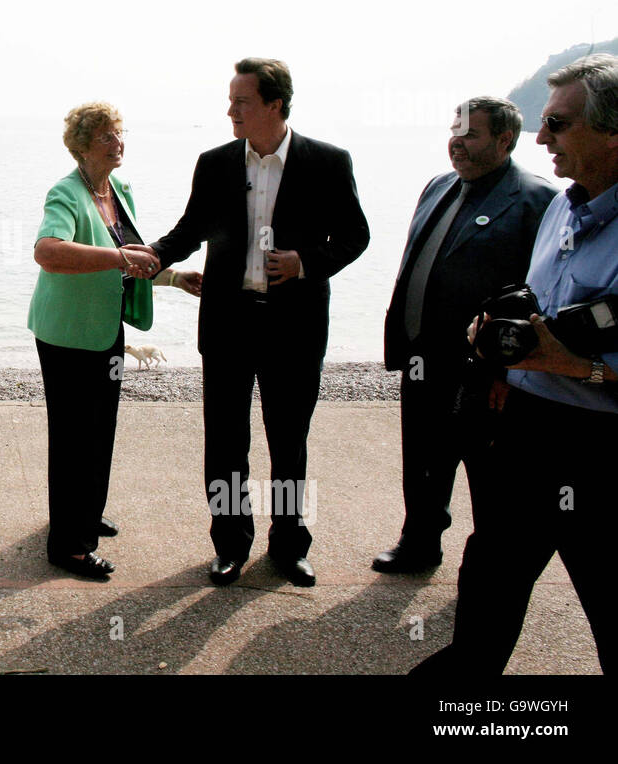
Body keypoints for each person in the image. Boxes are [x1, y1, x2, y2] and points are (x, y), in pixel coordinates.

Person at [128, 58, 369, 587]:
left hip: (295, 328)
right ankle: (230, 544)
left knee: (288, 441)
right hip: (228, 325)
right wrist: (154, 256)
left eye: (241, 101)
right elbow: (191, 228)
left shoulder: (328, 161)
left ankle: (288, 545)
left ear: (274, 104)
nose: (230, 110)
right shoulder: (214, 163)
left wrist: (306, 263)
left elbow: (355, 236)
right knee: (225, 441)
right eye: (230, 100)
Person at [413, 54, 618, 675]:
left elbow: (582, 357)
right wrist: (499, 345)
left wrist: (578, 367)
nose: (542, 138)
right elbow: (540, 306)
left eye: (558, 124)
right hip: (526, 434)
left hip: (601, 451)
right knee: (489, 591)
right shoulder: (562, 207)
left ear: (612, 133)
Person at [374, 97, 555, 573]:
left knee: (488, 472)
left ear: (505, 139)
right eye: (455, 131)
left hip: (484, 370)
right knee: (423, 459)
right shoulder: (438, 186)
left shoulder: (537, 199)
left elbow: (541, 294)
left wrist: (508, 370)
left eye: (470, 134)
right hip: (422, 357)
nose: (457, 141)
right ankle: (419, 543)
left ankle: (490, 568)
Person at [28, 102, 196, 580]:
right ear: (81, 147)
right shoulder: (65, 193)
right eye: (105, 136)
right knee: (72, 437)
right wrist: (120, 260)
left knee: (100, 428)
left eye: (119, 133)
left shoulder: (118, 190)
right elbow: (48, 252)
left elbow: (129, 261)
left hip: (105, 331)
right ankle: (69, 546)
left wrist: (177, 277)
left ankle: (83, 515)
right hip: (65, 334)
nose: (117, 142)